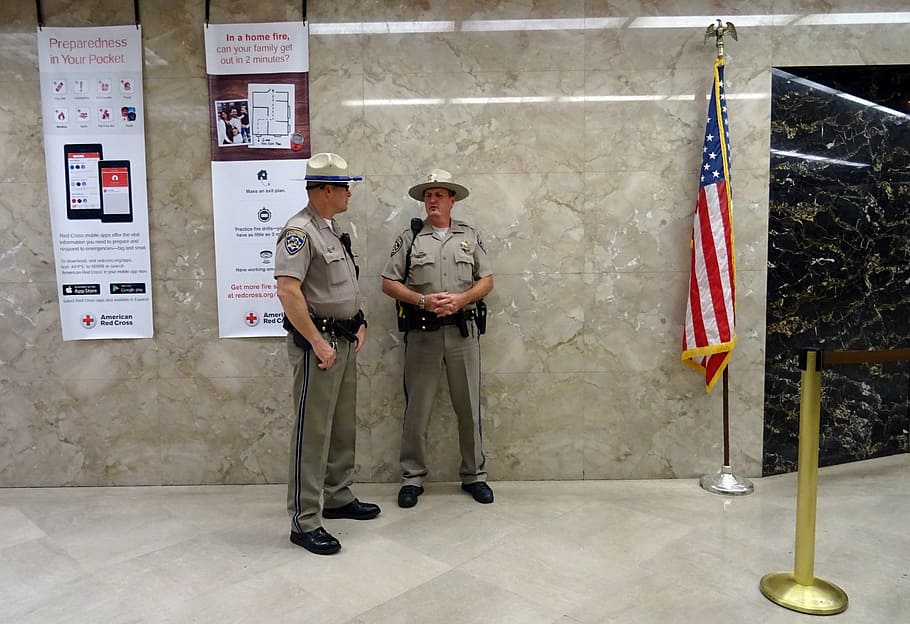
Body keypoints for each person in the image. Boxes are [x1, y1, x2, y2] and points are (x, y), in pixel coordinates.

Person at [274, 152, 379, 555]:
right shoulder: (300, 231)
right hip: (320, 347)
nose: (350, 192)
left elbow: (340, 286)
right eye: (345, 186)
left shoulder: (332, 229)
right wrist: (317, 341)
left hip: (344, 340)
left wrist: (360, 320)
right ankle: (304, 520)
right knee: (313, 431)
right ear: (326, 190)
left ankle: (336, 495)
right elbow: (288, 290)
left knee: (340, 426)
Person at [381, 169, 494, 508]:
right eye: (428, 195)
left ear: (452, 200)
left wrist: (462, 299)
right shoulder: (411, 238)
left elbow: (486, 279)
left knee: (468, 407)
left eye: (439, 195)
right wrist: (422, 301)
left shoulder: (469, 237)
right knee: (417, 409)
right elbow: (389, 283)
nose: (432, 200)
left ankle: (474, 475)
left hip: (463, 333)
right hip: (423, 336)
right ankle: (412, 478)